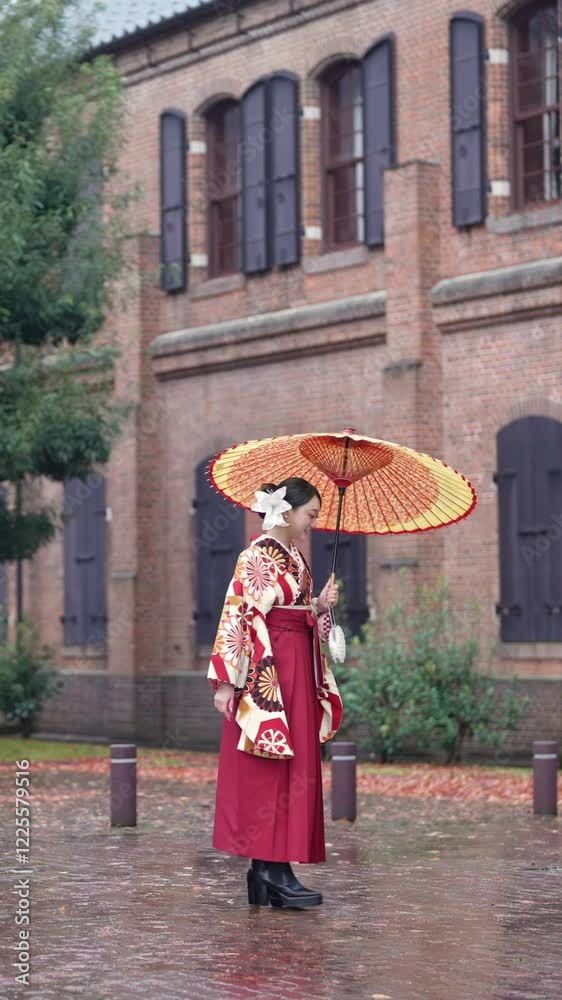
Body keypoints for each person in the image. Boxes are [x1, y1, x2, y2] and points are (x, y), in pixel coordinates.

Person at [207, 477, 344, 909]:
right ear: (286, 512)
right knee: (267, 766)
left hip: (296, 664)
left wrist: (319, 605)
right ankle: (268, 867)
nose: (312, 524)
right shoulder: (256, 556)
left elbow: (294, 611)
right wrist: (228, 681)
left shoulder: (296, 560)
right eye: (310, 515)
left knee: (296, 762)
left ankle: (274, 868)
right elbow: (239, 612)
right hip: (268, 672)